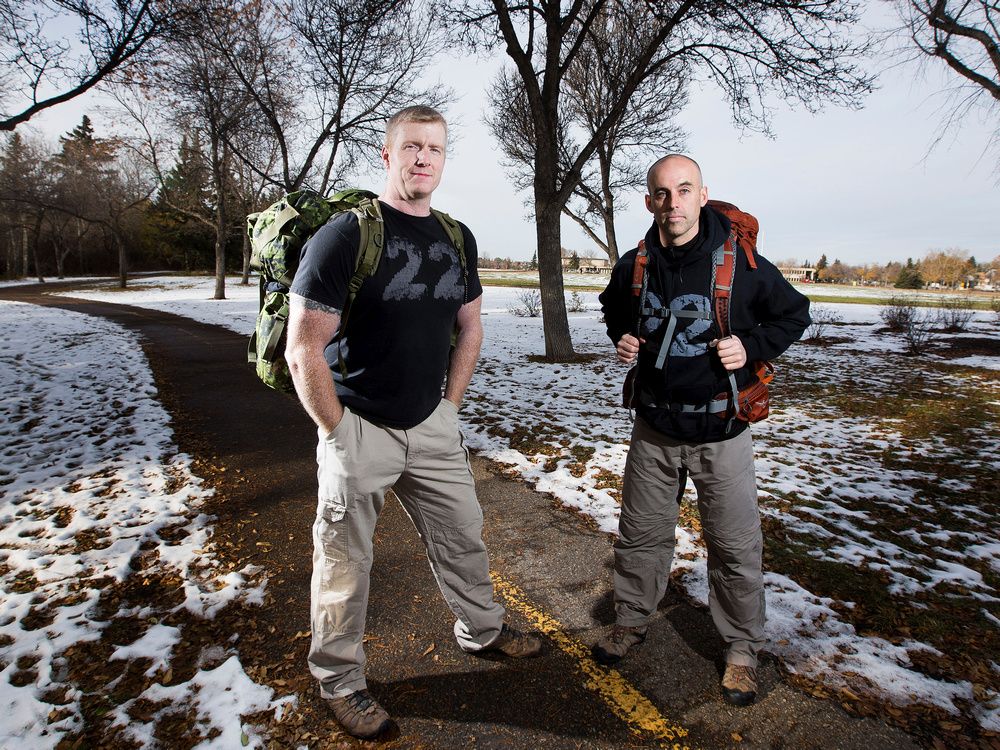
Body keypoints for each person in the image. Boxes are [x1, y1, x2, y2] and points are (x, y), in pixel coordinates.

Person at [285, 105, 542, 740]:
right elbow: (302, 346)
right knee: (344, 563)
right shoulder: (347, 235)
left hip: (431, 428)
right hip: (360, 427)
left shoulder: (457, 238)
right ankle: (340, 679)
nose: (423, 158)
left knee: (463, 536)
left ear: (443, 160)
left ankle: (481, 630)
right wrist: (336, 430)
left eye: (434, 149)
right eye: (412, 148)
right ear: (387, 154)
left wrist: (449, 408)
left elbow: (471, 325)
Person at [593, 154, 810, 706]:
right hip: (656, 429)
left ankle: (741, 650)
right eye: (662, 194)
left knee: (735, 547)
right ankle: (631, 620)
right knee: (640, 537)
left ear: (702, 193)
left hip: (723, 431)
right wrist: (622, 335)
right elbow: (612, 306)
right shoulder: (636, 262)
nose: (673, 204)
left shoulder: (741, 261)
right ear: (649, 201)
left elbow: (794, 313)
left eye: (684, 190)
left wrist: (752, 346)